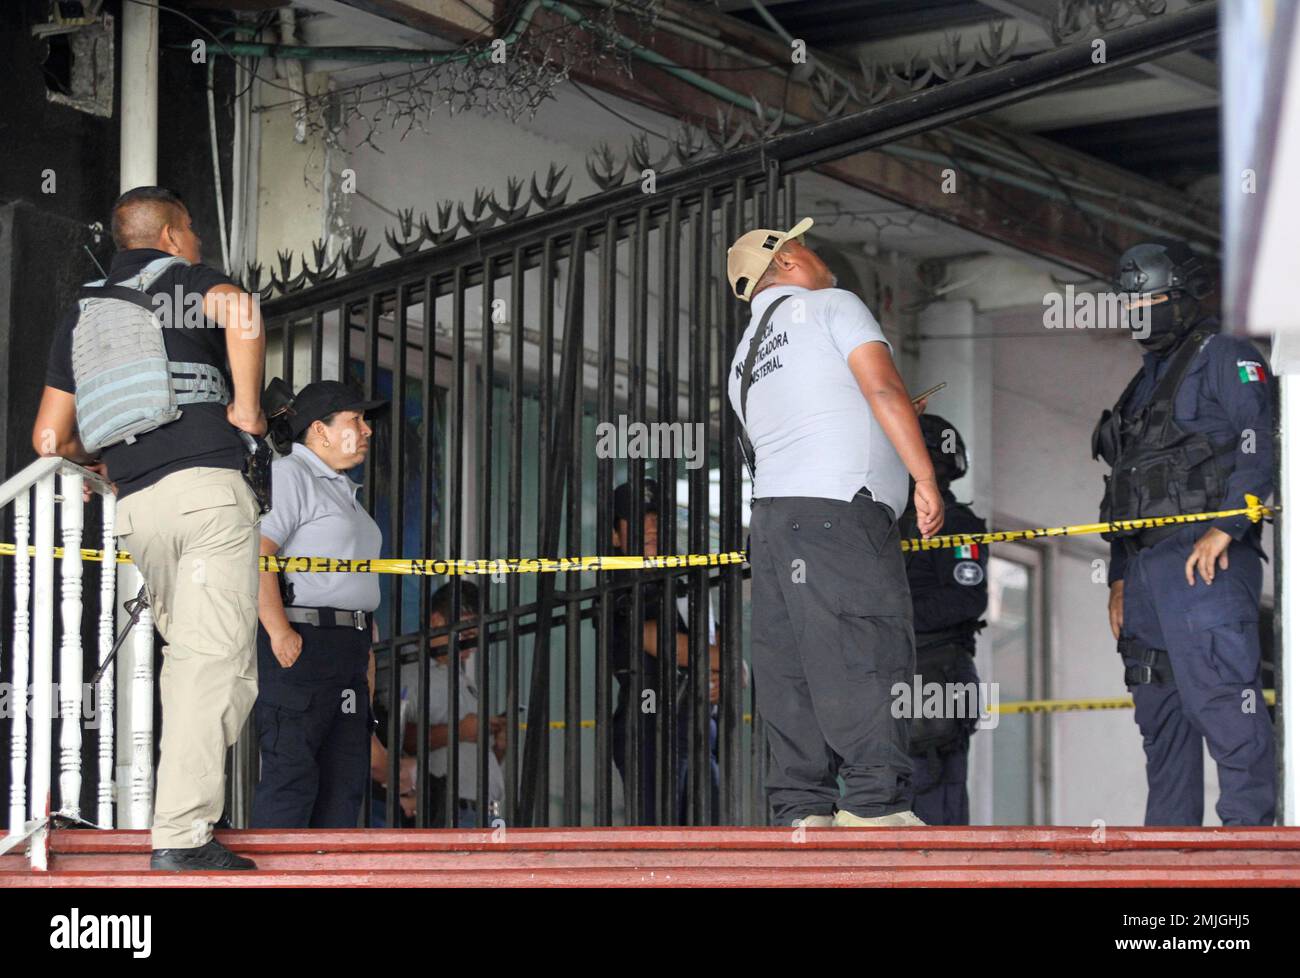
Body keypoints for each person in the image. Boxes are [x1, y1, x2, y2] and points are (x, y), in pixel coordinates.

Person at [33, 186, 266, 870]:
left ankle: (178, 817)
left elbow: (49, 436)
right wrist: (248, 412)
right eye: (192, 232)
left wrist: (96, 456)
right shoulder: (192, 279)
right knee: (212, 661)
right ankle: (182, 835)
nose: (198, 244)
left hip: (137, 507)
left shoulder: (84, 307)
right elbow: (243, 315)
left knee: (188, 657)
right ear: (169, 235)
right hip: (206, 493)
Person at [726, 216, 942, 829]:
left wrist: (880, 416)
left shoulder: (745, 357)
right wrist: (924, 477)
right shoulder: (832, 306)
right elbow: (881, 390)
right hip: (840, 515)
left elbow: (800, 427)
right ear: (789, 259)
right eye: (808, 248)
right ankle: (877, 808)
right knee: (863, 647)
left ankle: (803, 811)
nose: (821, 259)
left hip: (772, 523)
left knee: (791, 664)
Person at [1094, 239, 1276, 825]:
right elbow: (1125, 483)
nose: (1141, 313)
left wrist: (1228, 525)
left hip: (1206, 561)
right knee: (1160, 716)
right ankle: (1168, 854)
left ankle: (1253, 846)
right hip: (1146, 573)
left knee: (1224, 701)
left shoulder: (1226, 354)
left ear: (1185, 296)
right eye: (1132, 304)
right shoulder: (1142, 383)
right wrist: (1120, 578)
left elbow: (1260, 442)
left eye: (1155, 299)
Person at [250, 381, 387, 828]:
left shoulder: (342, 490)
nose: (366, 430)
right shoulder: (293, 474)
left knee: (344, 780)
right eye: (355, 420)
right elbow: (258, 552)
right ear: (319, 430)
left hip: (347, 647)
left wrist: (364, 652)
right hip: (304, 640)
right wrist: (277, 630)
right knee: (293, 774)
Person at [605, 479, 723, 825]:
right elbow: (661, 641)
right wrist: (721, 665)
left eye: (657, 517)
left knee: (711, 845)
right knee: (660, 839)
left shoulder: (687, 579)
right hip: (649, 728)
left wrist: (724, 671)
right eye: (638, 519)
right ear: (615, 535)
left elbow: (736, 669)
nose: (652, 527)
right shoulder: (618, 583)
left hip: (702, 728)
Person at [900, 413, 988, 825]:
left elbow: (966, 601)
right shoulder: (885, 525)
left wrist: (887, 616)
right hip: (894, 677)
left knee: (935, 809)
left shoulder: (956, 524)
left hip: (936, 676)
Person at [399, 581, 507, 827]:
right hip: (446, 811)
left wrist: (498, 746)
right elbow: (397, 738)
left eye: (476, 638)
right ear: (436, 621)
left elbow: (470, 758)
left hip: (487, 811)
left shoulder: (464, 679)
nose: (471, 648)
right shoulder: (408, 670)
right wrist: (460, 730)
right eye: (467, 636)